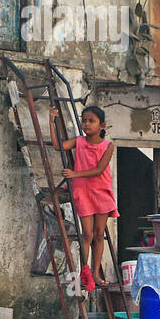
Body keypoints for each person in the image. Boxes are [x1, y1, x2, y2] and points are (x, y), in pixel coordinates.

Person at [49, 104, 117, 293]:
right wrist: (51, 120)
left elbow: (98, 170)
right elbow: (58, 146)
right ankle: (84, 272)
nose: (86, 124)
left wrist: (74, 174)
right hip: (82, 192)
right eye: (84, 120)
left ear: (101, 125)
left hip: (101, 192)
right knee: (86, 234)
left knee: (98, 233)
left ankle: (95, 273)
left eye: (91, 121)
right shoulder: (79, 141)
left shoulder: (107, 146)